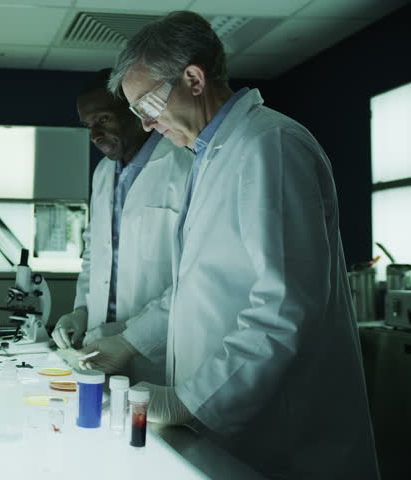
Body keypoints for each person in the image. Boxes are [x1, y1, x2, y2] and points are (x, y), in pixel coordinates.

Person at [109, 11, 378, 479]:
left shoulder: (269, 144)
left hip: (282, 429)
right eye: (138, 114)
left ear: (193, 79)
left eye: (147, 105)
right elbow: (194, 285)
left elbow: (286, 306)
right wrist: (128, 342)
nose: (147, 125)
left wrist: (192, 400)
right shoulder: (209, 157)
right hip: (228, 421)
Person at [51, 68, 192, 384]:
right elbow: (95, 254)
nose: (95, 135)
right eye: (88, 126)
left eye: (103, 120)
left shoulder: (184, 165)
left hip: (159, 349)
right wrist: (82, 311)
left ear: (136, 111)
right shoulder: (103, 173)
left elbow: (194, 276)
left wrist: (133, 336)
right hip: (98, 345)